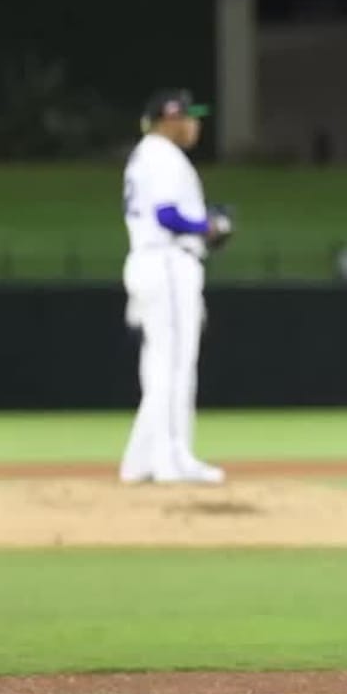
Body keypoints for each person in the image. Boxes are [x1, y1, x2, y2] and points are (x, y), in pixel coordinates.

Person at [119, 89, 233, 485]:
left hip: (150, 261)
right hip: (167, 261)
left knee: (159, 366)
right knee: (174, 366)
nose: (195, 124)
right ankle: (173, 461)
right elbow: (166, 215)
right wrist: (208, 226)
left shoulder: (144, 155)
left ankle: (141, 460)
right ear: (170, 120)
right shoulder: (164, 155)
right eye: (188, 116)